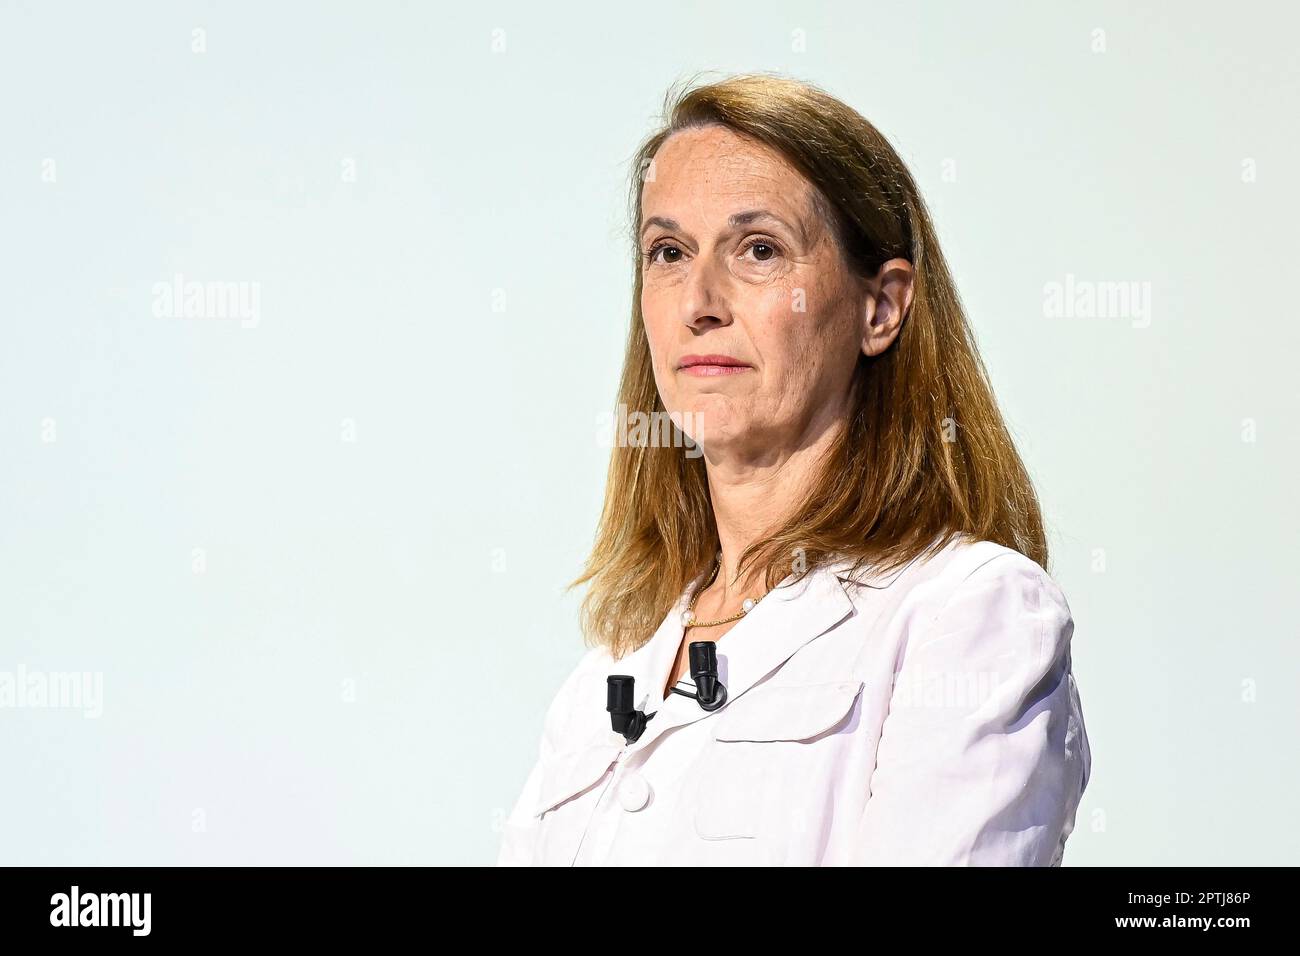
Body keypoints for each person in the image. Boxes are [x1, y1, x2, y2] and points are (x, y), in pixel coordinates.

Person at [497, 72, 1091, 866]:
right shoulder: (611, 666)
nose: (698, 301)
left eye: (759, 249)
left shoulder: (967, 616)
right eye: (668, 252)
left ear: (880, 308)